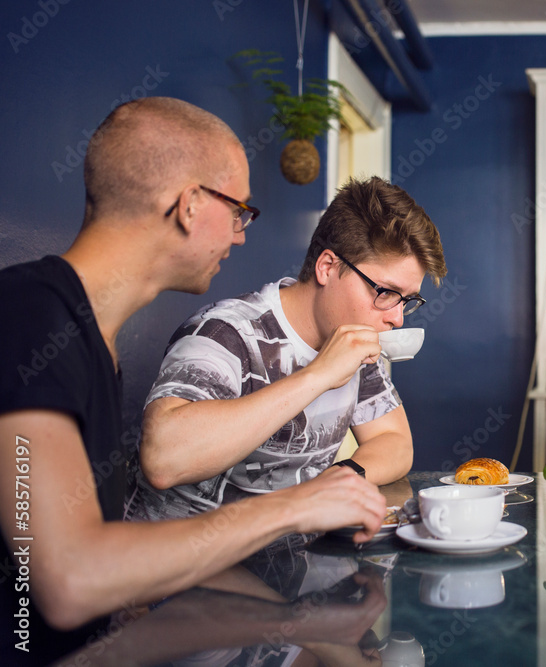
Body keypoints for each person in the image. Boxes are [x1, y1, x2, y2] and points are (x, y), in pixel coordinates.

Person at [0, 98, 387, 660]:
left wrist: (297, 625)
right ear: (188, 206)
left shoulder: (89, 341)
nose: (241, 236)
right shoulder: (32, 314)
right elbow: (70, 580)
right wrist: (295, 505)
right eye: (239, 212)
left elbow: (105, 593)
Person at [123, 176, 446, 523]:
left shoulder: (351, 338)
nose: (397, 318)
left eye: (407, 300)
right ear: (327, 267)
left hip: (289, 561)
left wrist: (337, 481)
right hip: (181, 566)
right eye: (385, 292)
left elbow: (394, 440)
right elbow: (163, 459)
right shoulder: (227, 332)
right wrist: (319, 374)